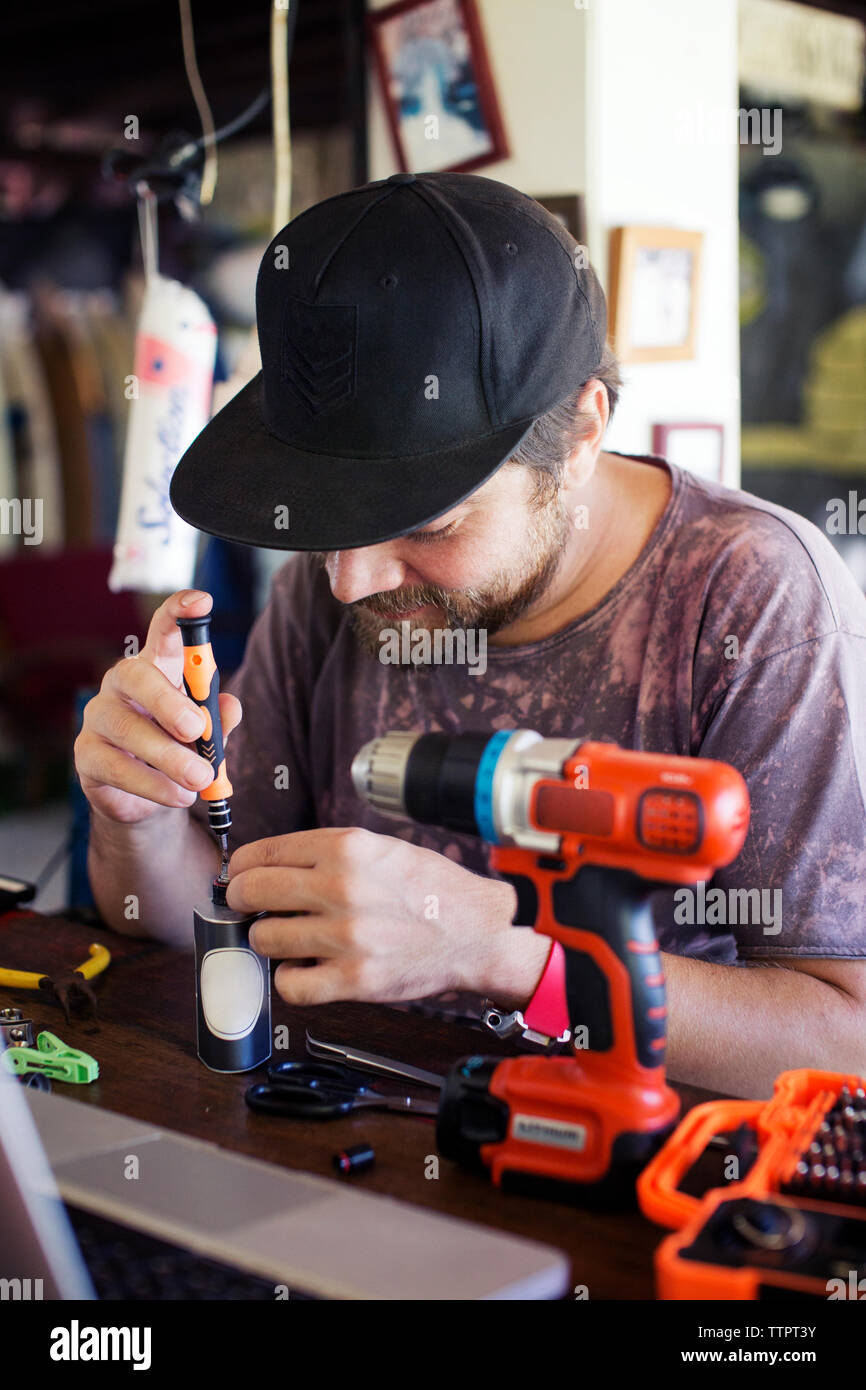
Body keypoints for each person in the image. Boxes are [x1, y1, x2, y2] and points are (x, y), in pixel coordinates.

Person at [74, 171, 866, 1098]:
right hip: (358, 1136)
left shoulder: (752, 596)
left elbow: (844, 1040)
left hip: (636, 1195)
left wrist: (504, 955)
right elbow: (198, 913)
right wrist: (138, 818)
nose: (351, 579)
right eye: (333, 522)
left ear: (579, 434)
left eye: (428, 524)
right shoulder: (326, 588)